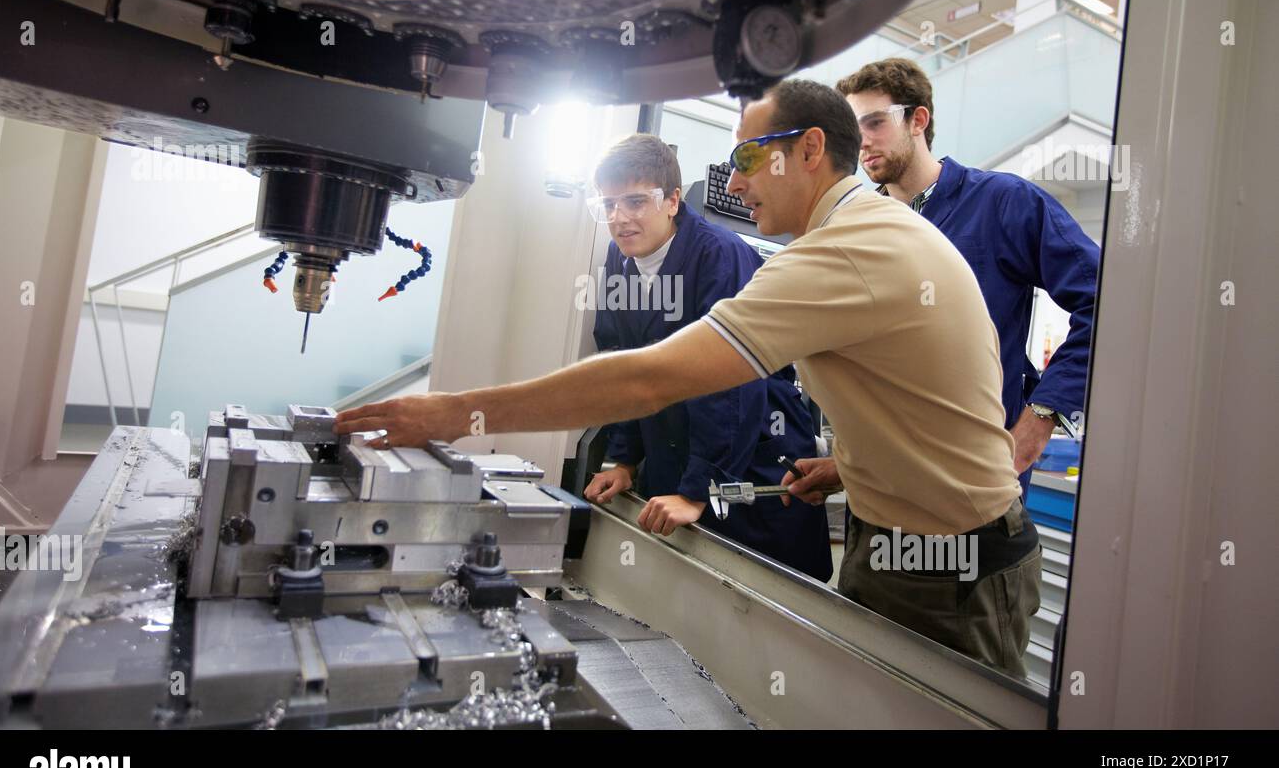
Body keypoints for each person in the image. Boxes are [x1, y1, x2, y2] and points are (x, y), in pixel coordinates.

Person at [335, 79, 1042, 677]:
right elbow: (915, 394)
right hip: (889, 541)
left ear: (810, 149)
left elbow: (652, 379)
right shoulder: (862, 234)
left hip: (952, 574)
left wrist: (459, 413)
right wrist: (851, 465)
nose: (731, 181)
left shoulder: (847, 248)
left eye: (746, 157)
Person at [839, 59, 1099, 492]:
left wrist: (1040, 420)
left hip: (976, 481)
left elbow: (1104, 299)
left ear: (917, 119)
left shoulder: (1004, 204)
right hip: (880, 480)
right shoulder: (856, 225)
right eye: (853, 128)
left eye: (876, 122)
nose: (862, 142)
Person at [582, 133, 830, 580]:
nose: (620, 218)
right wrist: (622, 460)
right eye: (609, 205)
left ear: (673, 200)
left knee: (757, 607)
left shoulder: (720, 256)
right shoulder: (620, 263)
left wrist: (699, 490)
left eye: (636, 202)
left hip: (749, 459)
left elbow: (730, 383)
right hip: (676, 457)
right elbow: (627, 369)